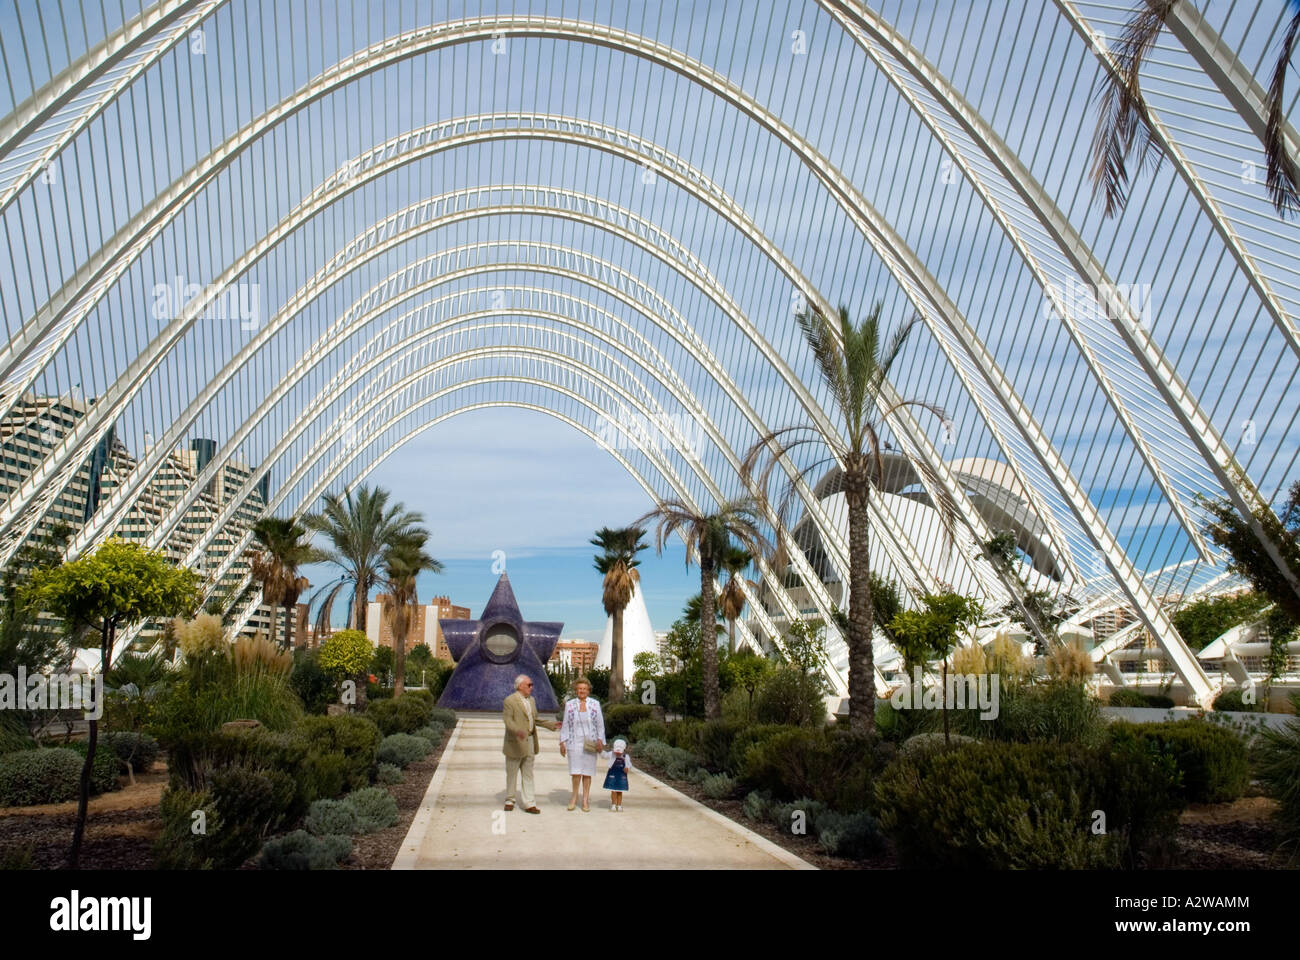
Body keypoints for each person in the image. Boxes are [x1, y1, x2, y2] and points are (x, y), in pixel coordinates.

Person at [502, 674, 560, 814]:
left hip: (530, 741)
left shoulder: (532, 700)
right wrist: (517, 731)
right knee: (512, 772)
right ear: (520, 686)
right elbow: (508, 721)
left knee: (528, 773)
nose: (531, 687)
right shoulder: (510, 700)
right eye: (529, 685)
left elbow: (534, 720)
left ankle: (529, 803)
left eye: (531, 685)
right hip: (515, 742)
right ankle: (510, 799)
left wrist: (552, 725)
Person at [557, 676, 605, 812]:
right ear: (576, 690)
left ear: (588, 690)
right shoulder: (570, 704)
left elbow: (600, 725)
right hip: (574, 742)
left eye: (584, 689)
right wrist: (562, 742)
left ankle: (585, 800)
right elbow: (565, 724)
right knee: (576, 772)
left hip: (590, 742)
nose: (582, 691)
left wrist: (601, 740)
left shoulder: (595, 704)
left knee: (587, 772)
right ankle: (574, 797)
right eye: (579, 689)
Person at [602, 738, 631, 811]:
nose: (617, 753)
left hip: (621, 776)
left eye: (619, 752)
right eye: (616, 751)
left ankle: (619, 805)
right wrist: (600, 750)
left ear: (624, 750)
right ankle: (613, 805)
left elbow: (629, 764)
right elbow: (604, 755)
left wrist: (627, 767)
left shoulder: (626, 757)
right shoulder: (612, 754)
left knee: (620, 791)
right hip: (612, 774)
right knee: (613, 790)